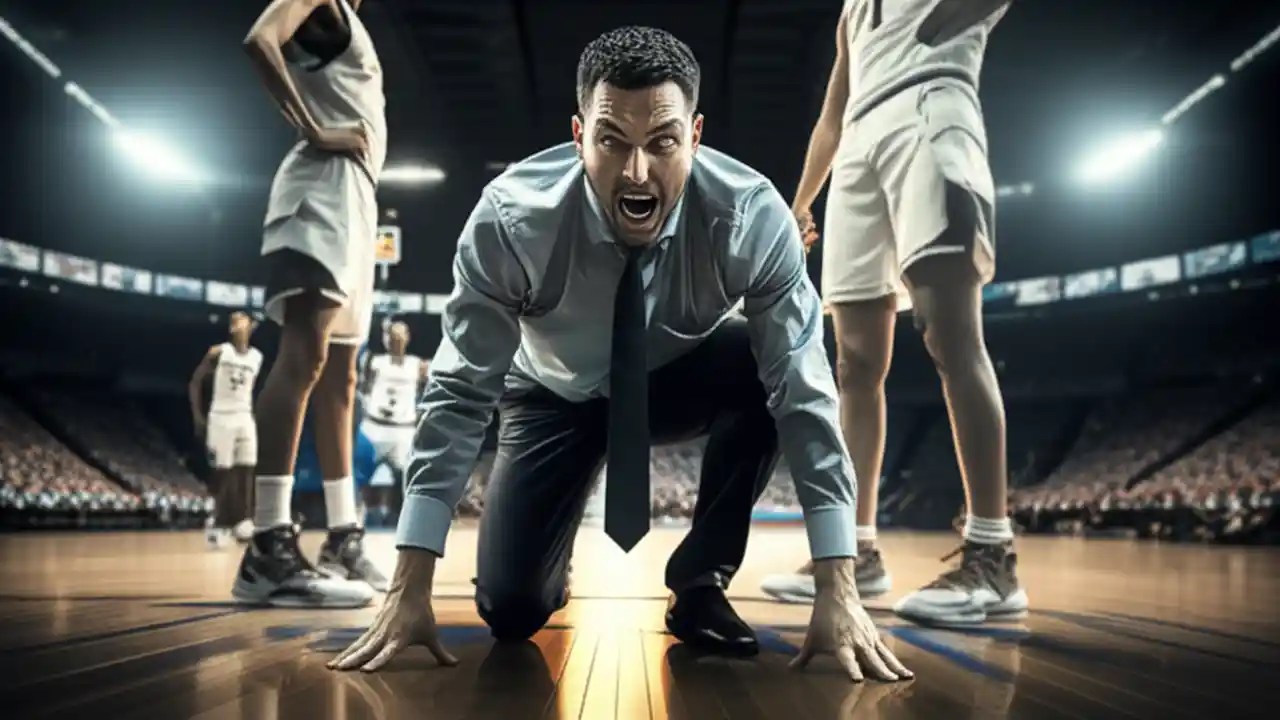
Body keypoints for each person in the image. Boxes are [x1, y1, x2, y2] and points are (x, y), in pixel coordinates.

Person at [329, 26, 912, 683]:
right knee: (514, 610)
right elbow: (461, 395)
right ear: (579, 138)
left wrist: (839, 584)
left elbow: (805, 395)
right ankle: (550, 555)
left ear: (694, 136)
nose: (637, 171)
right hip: (551, 396)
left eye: (662, 143)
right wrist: (410, 583)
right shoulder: (508, 222)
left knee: (764, 362)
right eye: (613, 142)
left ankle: (699, 582)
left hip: (671, 378)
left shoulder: (752, 218)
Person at [760, 0, 1027, 626]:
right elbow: (831, 116)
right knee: (853, 364)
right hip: (857, 144)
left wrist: (941, 26)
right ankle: (856, 549)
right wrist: (799, 204)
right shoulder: (852, 10)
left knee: (950, 335)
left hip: (932, 109)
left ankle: (993, 551)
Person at [232, 0, 387, 608]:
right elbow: (259, 40)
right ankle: (268, 544)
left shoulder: (350, 14)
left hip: (356, 198)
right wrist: (312, 128)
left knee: (342, 377)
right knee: (303, 357)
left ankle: (342, 536)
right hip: (320, 189)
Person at [189, 311, 263, 548]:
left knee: (247, 468)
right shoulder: (219, 352)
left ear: (251, 326)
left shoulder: (256, 358)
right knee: (222, 471)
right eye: (233, 321)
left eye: (241, 320)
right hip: (221, 416)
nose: (236, 324)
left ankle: (243, 521)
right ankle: (216, 522)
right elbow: (196, 382)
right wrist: (198, 416)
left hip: (244, 415)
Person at [358, 320, 428, 526]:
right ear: (385, 339)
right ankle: (363, 515)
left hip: (403, 429)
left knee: (407, 478)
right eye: (392, 336)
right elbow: (363, 388)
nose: (396, 340)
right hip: (374, 426)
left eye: (400, 335)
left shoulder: (418, 365)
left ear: (407, 338)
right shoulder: (374, 362)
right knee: (362, 475)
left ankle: (400, 518)